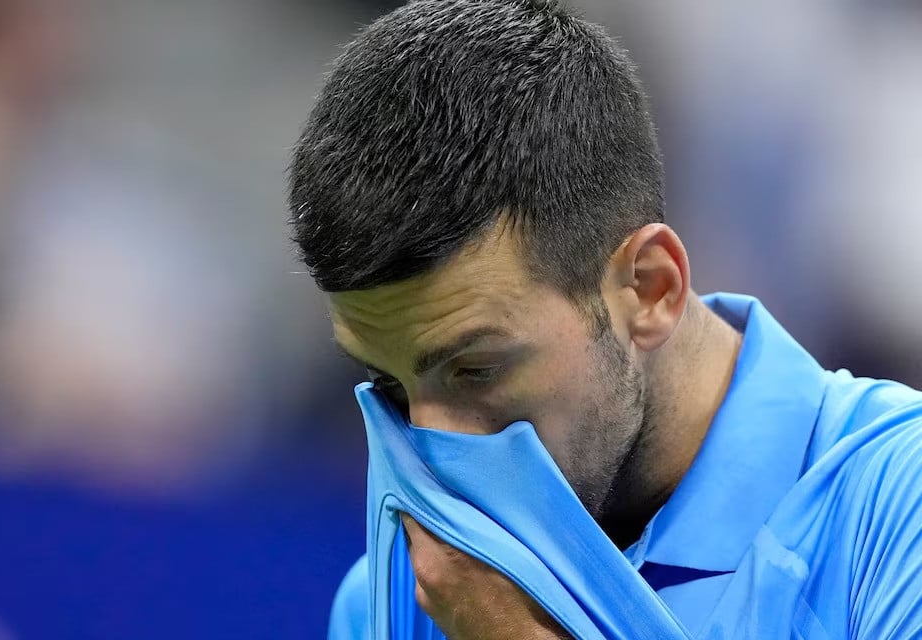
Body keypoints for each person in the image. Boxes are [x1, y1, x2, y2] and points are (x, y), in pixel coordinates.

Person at [289, 0, 922, 638]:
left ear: (650, 289)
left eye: (476, 371)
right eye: (391, 388)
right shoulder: (397, 598)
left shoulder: (901, 507)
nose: (435, 453)